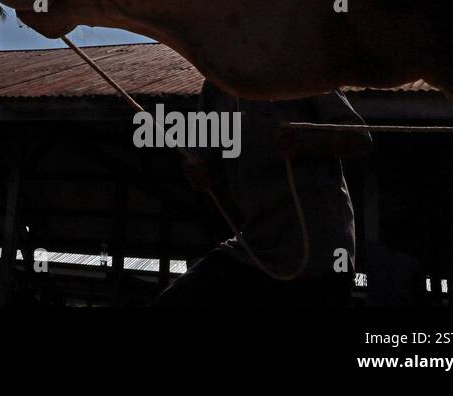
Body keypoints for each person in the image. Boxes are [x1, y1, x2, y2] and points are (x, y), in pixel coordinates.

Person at [155, 82, 372, 307]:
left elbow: (359, 137)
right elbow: (206, 160)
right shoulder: (216, 85)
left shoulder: (298, 69)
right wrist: (200, 172)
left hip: (320, 247)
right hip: (256, 244)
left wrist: (305, 140)